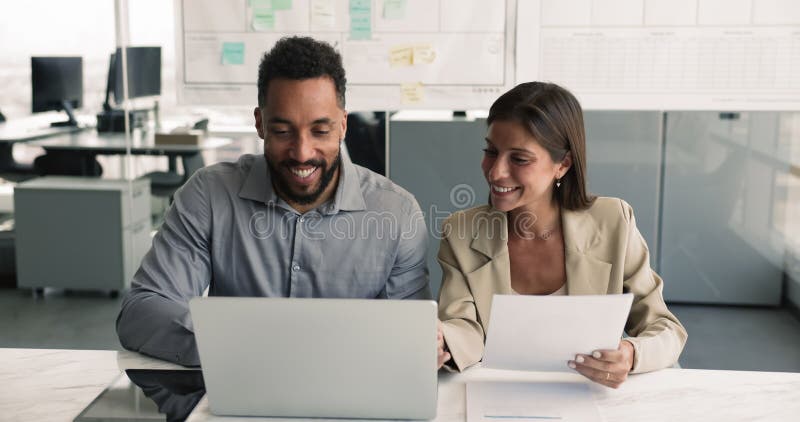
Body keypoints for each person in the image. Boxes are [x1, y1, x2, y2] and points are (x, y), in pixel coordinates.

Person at [117, 36, 431, 366]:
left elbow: (410, 342)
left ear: (342, 126)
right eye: (283, 131)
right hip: (236, 396)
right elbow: (142, 311)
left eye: (320, 131)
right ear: (260, 123)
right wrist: (248, 352)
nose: (302, 152)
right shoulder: (209, 195)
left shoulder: (397, 213)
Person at [436, 82, 687, 388]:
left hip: (586, 395)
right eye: (491, 151)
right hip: (499, 395)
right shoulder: (461, 232)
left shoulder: (613, 222)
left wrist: (631, 353)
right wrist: (444, 343)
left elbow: (665, 329)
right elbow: (465, 328)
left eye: (519, 159)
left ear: (563, 164)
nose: (496, 171)